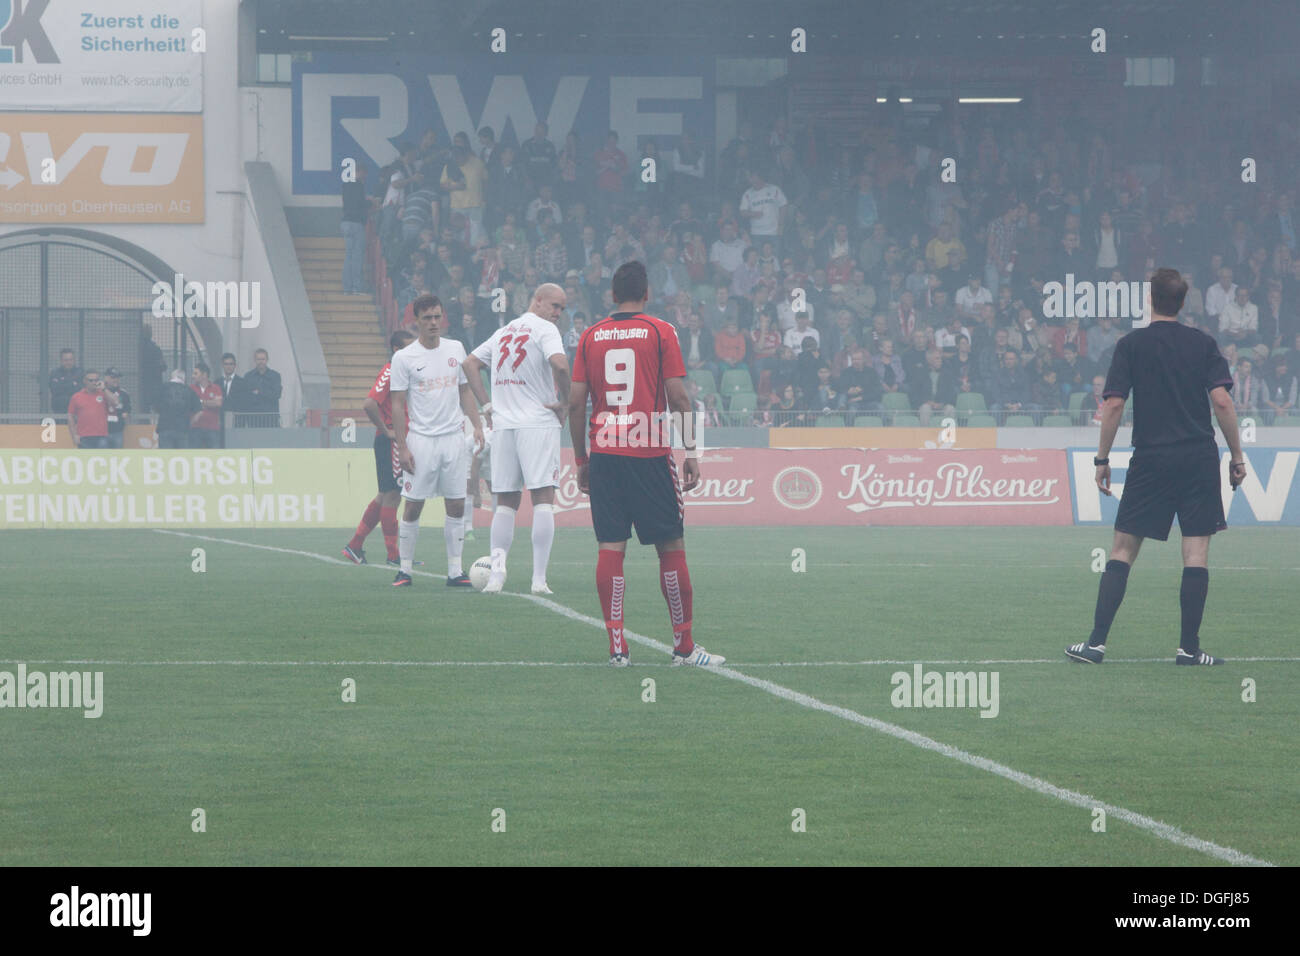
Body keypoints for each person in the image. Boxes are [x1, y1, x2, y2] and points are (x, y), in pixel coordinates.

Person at [1067, 269, 1246, 667]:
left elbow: (1113, 405)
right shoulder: (1202, 343)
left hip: (1151, 459)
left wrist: (1101, 459)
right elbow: (1222, 403)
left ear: (1151, 299)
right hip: (1197, 458)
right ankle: (1189, 649)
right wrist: (1236, 457)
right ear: (1182, 302)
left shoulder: (1132, 344)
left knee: (1122, 550)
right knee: (1196, 552)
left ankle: (1096, 644)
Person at [567, 260, 724, 667]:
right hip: (650, 452)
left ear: (612, 295)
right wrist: (692, 451)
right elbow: (680, 398)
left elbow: (574, 402)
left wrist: (582, 457)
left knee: (610, 547)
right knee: (670, 546)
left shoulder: (590, 336)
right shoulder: (660, 331)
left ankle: (617, 648)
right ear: (647, 293)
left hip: (604, 453)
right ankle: (684, 648)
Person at [461, 283, 572, 595]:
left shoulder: (505, 331)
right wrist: (566, 402)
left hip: (505, 424)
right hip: (537, 422)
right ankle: (538, 579)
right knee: (543, 498)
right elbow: (561, 365)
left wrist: (487, 406)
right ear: (536, 301)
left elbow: (470, 363)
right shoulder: (545, 330)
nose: (558, 314)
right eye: (555, 306)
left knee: (505, 501)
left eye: (562, 309)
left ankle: (497, 576)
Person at [389, 294, 485, 587]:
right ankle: (404, 569)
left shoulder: (455, 348)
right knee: (413, 505)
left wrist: (477, 425)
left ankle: (455, 571)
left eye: (437, 317)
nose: (433, 323)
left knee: (456, 504)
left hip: (453, 439)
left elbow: (465, 391)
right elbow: (396, 404)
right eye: (427, 318)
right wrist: (403, 446)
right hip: (421, 441)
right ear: (416, 321)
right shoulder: (404, 357)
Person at [343, 329, 416, 567]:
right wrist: (387, 431)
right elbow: (369, 403)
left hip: (393, 441)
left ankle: (355, 546)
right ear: (397, 350)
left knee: (384, 495)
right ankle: (394, 556)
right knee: (393, 496)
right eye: (409, 347)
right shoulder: (391, 371)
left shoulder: (401, 372)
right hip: (390, 442)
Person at [66, 370, 118, 449]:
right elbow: (70, 417)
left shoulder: (103, 393)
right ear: (85, 381)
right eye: (91, 380)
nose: (94, 382)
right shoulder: (76, 397)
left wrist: (104, 389)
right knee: (85, 460)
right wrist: (74, 435)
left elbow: (116, 402)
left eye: (96, 380)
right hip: (84, 436)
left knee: (102, 460)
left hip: (102, 436)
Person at [156, 370, 200, 447]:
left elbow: (155, 405)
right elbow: (199, 411)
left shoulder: (162, 387)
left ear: (172, 376)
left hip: (165, 427)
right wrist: (190, 423)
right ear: (184, 378)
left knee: (166, 457)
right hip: (183, 428)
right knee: (181, 457)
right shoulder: (189, 390)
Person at [242, 349, 282, 426]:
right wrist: (267, 393)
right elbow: (246, 397)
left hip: (271, 419)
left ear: (267, 360)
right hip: (253, 419)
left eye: (263, 359)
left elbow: (277, 394)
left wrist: (259, 392)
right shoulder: (248, 376)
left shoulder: (275, 376)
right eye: (258, 359)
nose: (261, 361)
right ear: (255, 360)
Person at [189, 364, 223, 448]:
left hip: (212, 428)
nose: (193, 376)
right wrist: (210, 403)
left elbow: (218, 403)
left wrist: (200, 402)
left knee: (214, 456)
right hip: (195, 428)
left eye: (195, 373)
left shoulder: (216, 388)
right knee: (194, 456)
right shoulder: (191, 388)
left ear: (204, 375)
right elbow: (189, 404)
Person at [102, 368, 131, 449]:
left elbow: (127, 408)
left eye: (117, 378)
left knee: (117, 457)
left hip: (117, 432)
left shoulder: (123, 393)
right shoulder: (99, 392)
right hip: (102, 432)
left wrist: (126, 413)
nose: (116, 380)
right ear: (106, 378)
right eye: (113, 377)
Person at [49, 349, 82, 416]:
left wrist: (63, 384)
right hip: (59, 410)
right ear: (61, 361)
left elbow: (80, 390)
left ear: (74, 360)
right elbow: (55, 389)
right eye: (66, 360)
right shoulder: (55, 373)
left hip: (77, 411)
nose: (68, 362)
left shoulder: (80, 373)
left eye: (71, 360)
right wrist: (72, 384)